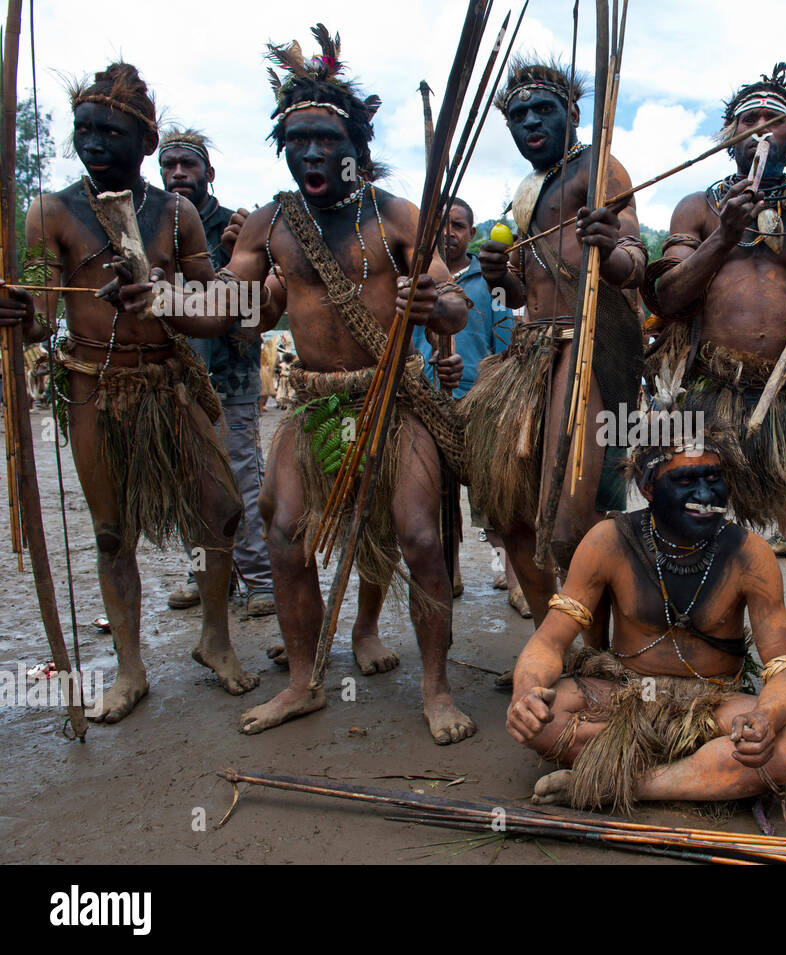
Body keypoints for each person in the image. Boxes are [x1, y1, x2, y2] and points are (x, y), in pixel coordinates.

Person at [172, 25, 472, 741]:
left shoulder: (395, 215)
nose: (312, 152)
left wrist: (431, 305)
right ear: (283, 144)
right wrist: (155, 300)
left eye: (326, 139)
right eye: (298, 138)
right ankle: (303, 682)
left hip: (388, 402)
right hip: (313, 403)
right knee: (282, 533)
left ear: (353, 148)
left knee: (421, 536)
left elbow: (454, 299)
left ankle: (436, 689)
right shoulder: (273, 222)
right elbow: (225, 306)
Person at [0, 62, 256, 721]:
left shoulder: (175, 213)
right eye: (83, 129)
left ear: (144, 143)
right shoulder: (50, 212)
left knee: (219, 512)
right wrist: (17, 313)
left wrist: (165, 294)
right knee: (113, 532)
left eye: (110, 132)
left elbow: (215, 308)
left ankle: (215, 639)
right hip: (94, 390)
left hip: (171, 385)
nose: (92, 141)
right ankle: (131, 667)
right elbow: (37, 321)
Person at [644, 63, 786, 712]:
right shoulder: (698, 207)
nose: (761, 128)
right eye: (748, 118)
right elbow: (668, 296)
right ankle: (703, 656)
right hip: (709, 395)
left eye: (774, 118)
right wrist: (724, 235)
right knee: (694, 526)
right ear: (728, 137)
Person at [506, 398, 786, 812]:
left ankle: (632, 783)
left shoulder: (751, 555)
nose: (706, 495)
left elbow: (785, 667)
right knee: (540, 721)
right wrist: (527, 692)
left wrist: (765, 718)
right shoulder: (609, 541)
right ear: (648, 487)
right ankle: (698, 775)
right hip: (623, 694)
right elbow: (550, 641)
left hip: (714, 706)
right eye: (687, 481)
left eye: (715, 478)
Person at [468, 58, 646, 629]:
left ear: (572, 113)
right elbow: (522, 289)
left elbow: (637, 262)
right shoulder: (527, 191)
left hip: (588, 350)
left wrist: (610, 248)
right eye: (517, 116)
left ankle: (598, 650)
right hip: (530, 354)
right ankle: (558, 637)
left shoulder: (600, 168)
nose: (530, 123)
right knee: (511, 509)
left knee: (573, 523)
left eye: (542, 110)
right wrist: (498, 273)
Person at [157, 127, 275, 617]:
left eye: (189, 164)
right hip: (173, 377)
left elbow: (256, 311)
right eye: (170, 165)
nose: (179, 173)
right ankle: (207, 575)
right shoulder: (154, 226)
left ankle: (260, 578)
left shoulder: (237, 227)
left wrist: (231, 261)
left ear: (209, 172)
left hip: (229, 378)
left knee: (241, 481)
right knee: (189, 479)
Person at [412, 196, 529, 616]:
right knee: (432, 499)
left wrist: (497, 393)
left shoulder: (488, 279)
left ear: (472, 231)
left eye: (458, 224)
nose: (449, 232)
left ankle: (516, 580)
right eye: (441, 224)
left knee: (498, 499)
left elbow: (505, 338)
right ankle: (450, 574)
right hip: (426, 401)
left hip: (480, 401)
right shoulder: (416, 277)